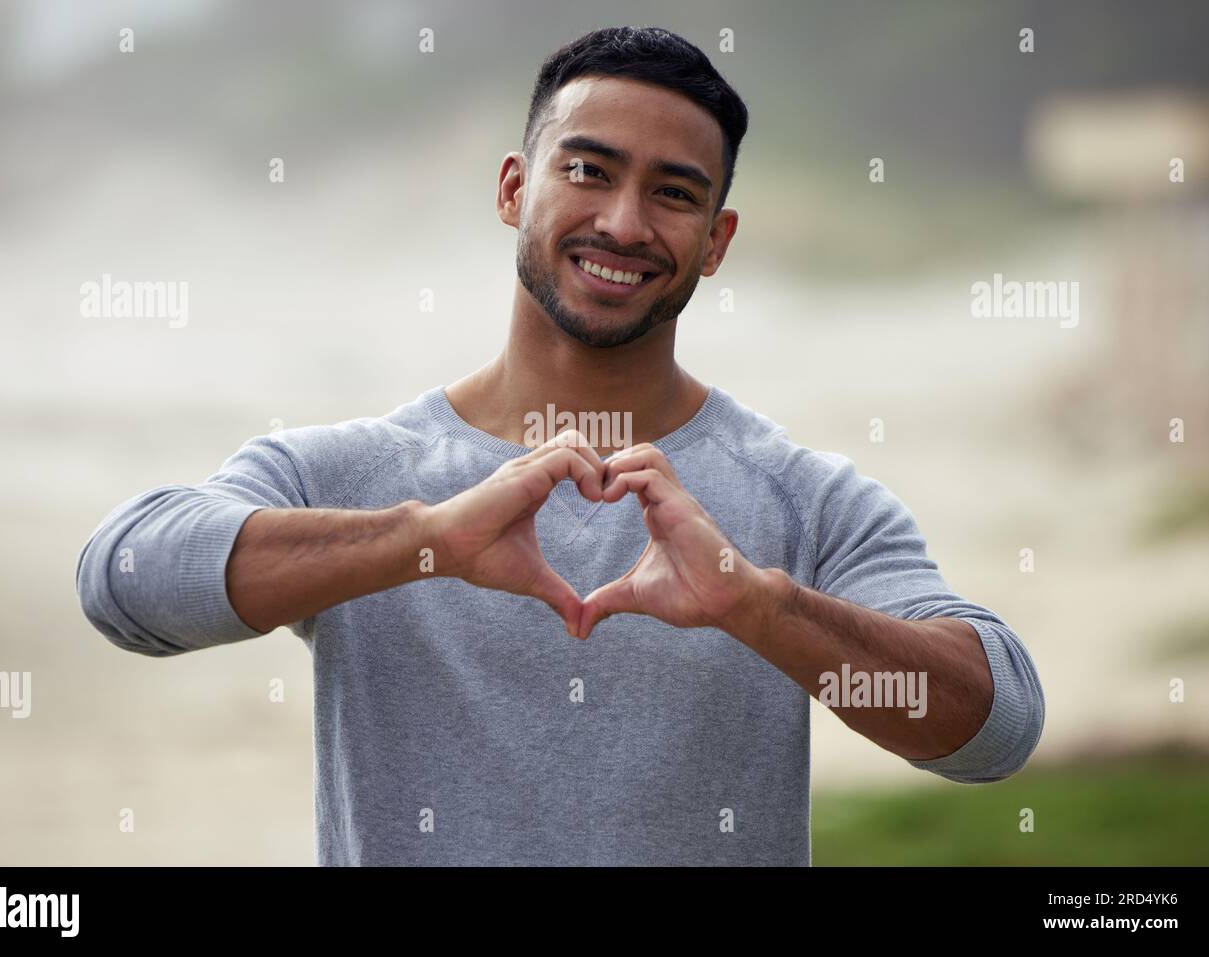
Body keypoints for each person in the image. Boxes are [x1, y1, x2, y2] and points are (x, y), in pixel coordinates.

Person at [76, 25, 1045, 866]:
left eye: (672, 193)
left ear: (715, 241)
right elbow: (121, 581)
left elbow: (995, 725)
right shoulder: (357, 474)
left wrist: (757, 606)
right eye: (587, 171)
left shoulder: (800, 501)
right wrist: (424, 540)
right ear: (512, 187)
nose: (622, 224)